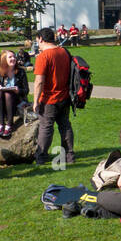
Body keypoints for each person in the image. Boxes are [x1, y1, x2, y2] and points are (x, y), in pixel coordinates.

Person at [32, 27, 76, 165]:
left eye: (37, 40)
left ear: (41, 39)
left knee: (46, 127)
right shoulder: (63, 52)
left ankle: (41, 156)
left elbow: (39, 81)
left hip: (49, 98)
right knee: (65, 126)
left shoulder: (43, 56)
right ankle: (69, 155)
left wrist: (35, 101)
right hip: (64, 96)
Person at [0, 50, 29, 138]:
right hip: (2, 104)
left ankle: (9, 124)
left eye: (14, 57)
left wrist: (18, 90)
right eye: (10, 57)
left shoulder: (20, 72)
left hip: (17, 102)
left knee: (8, 94)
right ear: (4, 60)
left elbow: (26, 90)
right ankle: (1, 124)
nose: (13, 59)